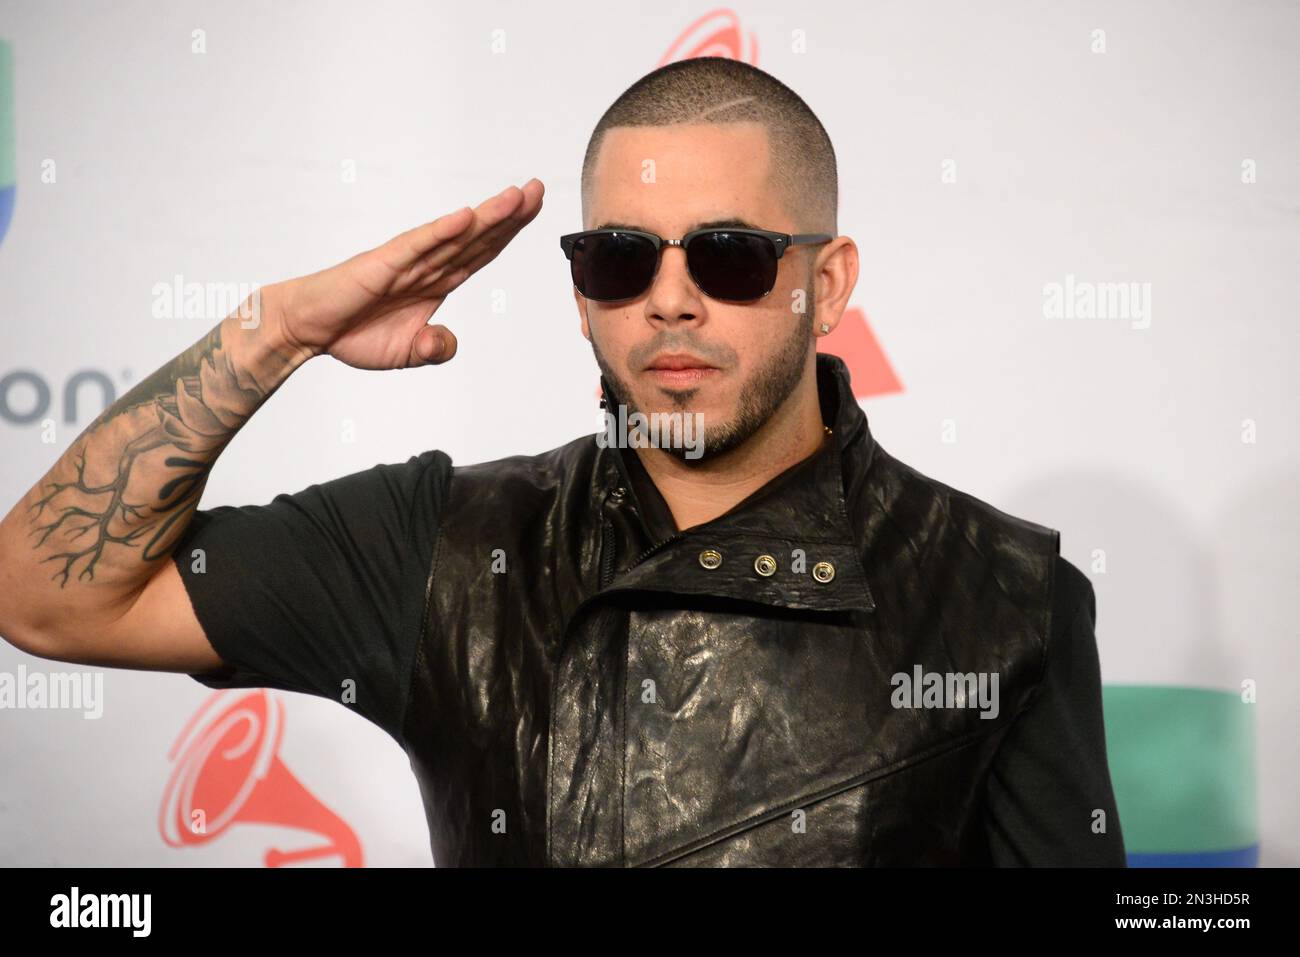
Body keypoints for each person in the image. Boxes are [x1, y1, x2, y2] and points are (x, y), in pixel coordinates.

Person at [0, 57, 1125, 866]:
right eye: (619, 258)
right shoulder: (447, 543)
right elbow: (44, 599)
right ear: (580, 289)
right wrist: (278, 328)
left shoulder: (1003, 595)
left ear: (822, 285)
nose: (670, 300)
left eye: (731, 258)